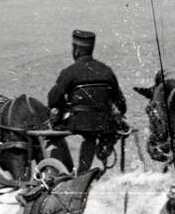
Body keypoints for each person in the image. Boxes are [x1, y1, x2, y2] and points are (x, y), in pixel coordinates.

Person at [46, 29, 127, 174]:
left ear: (76, 50)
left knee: (54, 133)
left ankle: (65, 170)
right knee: (93, 135)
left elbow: (52, 99)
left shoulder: (70, 71)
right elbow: (121, 104)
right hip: (104, 122)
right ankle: (101, 151)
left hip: (79, 121)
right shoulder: (106, 71)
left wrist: (61, 107)